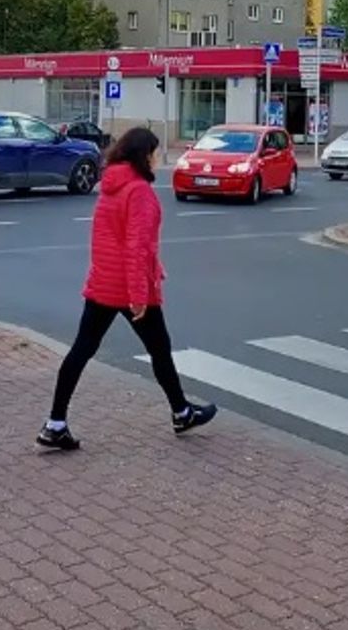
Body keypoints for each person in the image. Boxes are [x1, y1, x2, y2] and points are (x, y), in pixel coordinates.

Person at [38, 126, 216, 451]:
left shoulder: (111, 187)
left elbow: (109, 239)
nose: (158, 158)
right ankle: (181, 412)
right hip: (130, 287)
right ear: (143, 155)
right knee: (160, 350)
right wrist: (138, 295)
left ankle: (55, 422)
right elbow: (136, 246)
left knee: (82, 349)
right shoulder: (139, 192)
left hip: (102, 282)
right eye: (155, 152)